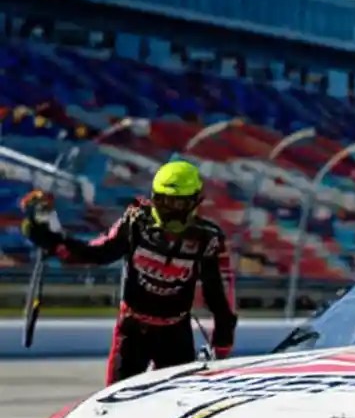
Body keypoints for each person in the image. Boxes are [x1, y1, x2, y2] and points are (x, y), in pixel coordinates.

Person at [20, 160, 238, 383]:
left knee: (177, 404)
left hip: (175, 333)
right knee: (116, 402)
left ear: (195, 203)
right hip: (131, 330)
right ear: (153, 198)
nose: (171, 210)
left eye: (179, 204)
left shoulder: (208, 238)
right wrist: (53, 241)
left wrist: (222, 341)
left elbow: (218, 293)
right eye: (164, 202)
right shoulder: (136, 221)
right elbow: (99, 252)